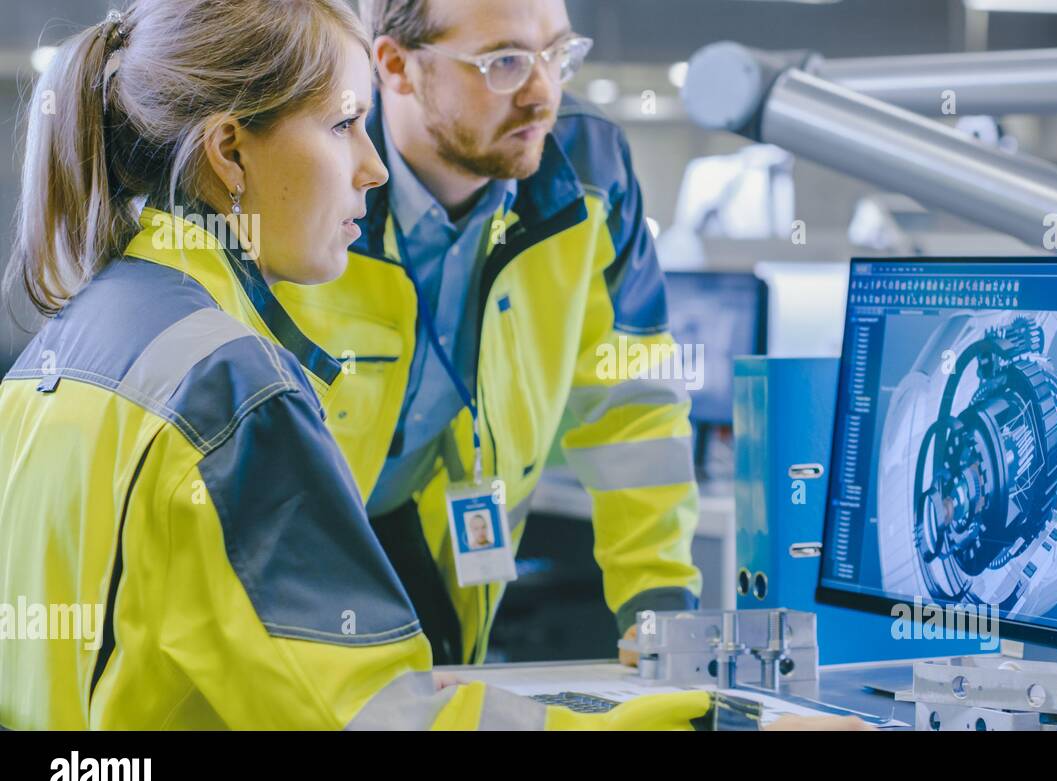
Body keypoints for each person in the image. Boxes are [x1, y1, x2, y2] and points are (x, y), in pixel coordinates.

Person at [0, 0, 800, 731]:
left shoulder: (67, 347)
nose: (371, 166)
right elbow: (386, 725)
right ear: (229, 151)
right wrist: (714, 723)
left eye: (559, 55)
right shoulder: (231, 391)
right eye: (345, 125)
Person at [275, 0, 702, 669]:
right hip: (285, 553)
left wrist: (660, 608)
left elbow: (633, 407)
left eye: (557, 54)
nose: (544, 94)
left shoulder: (590, 169)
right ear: (395, 66)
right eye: (502, 62)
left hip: (431, 541)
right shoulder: (309, 173)